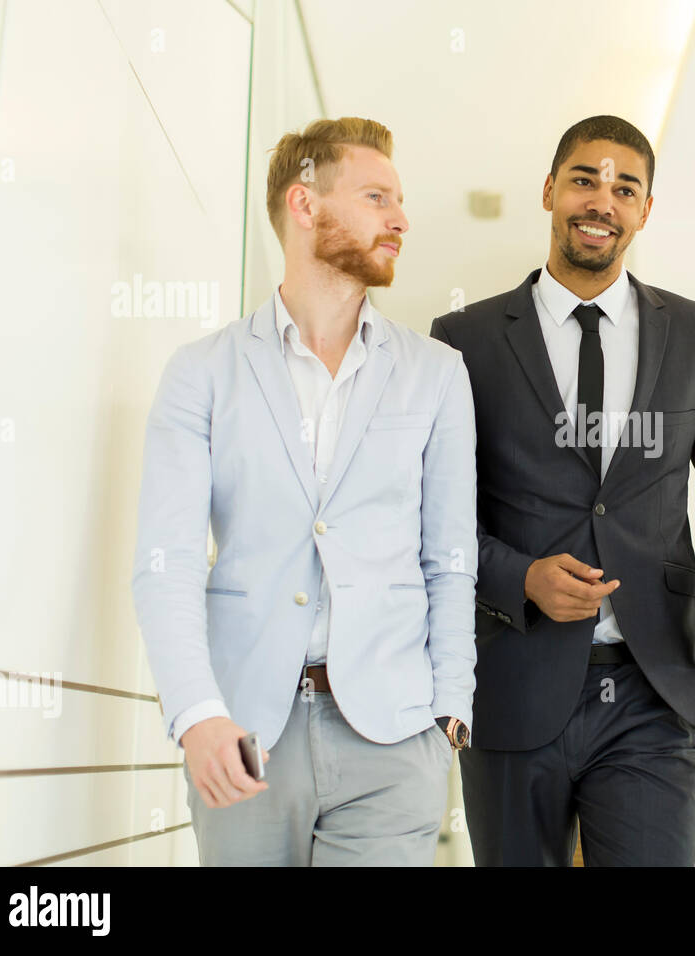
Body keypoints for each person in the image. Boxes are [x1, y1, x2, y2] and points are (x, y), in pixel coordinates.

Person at [430, 114, 695, 866]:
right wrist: (520, 577)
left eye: (626, 188)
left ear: (645, 210)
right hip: (513, 687)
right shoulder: (465, 341)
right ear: (550, 190)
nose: (603, 201)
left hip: (653, 692)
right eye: (586, 179)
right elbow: (438, 521)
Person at [132, 117, 477, 866]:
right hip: (244, 738)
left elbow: (449, 558)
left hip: (393, 739)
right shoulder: (202, 373)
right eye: (377, 195)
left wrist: (451, 708)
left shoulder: (437, 374)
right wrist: (197, 716)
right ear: (305, 203)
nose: (401, 219)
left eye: (400, 199)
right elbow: (167, 564)